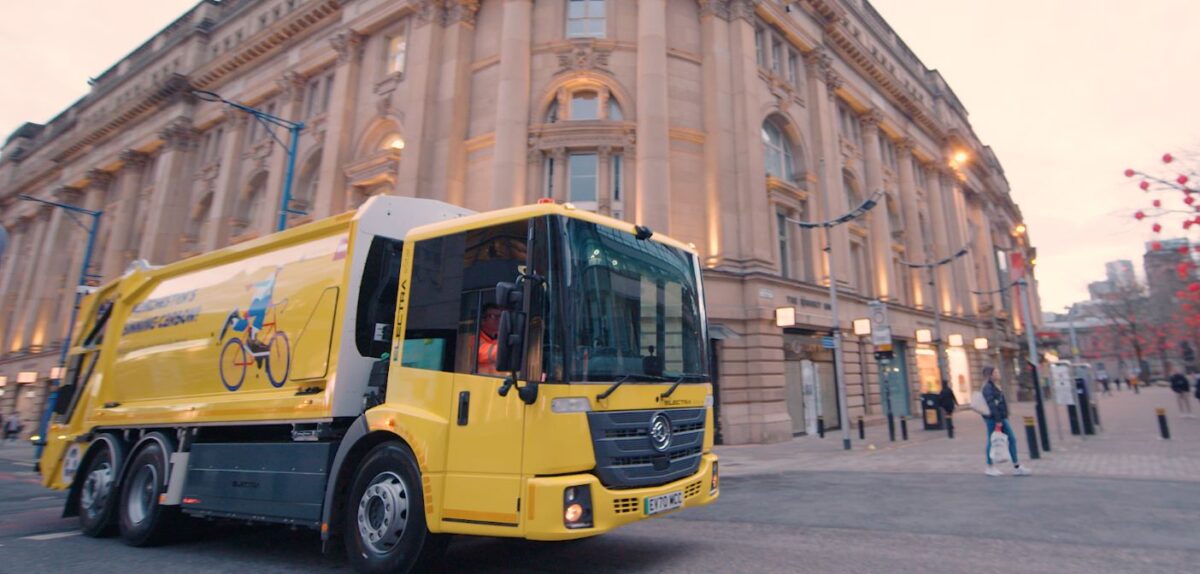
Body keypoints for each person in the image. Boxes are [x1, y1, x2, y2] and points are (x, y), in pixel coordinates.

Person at [980, 366, 1030, 477]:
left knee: (1011, 439)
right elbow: (991, 405)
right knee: (993, 441)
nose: (998, 374)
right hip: (994, 419)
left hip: (1000, 418)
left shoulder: (995, 386)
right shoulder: (988, 388)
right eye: (996, 372)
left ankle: (1016, 466)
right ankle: (990, 466)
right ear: (990, 375)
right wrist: (998, 420)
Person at [477, 303, 502, 375]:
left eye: (500, 316)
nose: (499, 320)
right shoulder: (473, 340)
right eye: (494, 316)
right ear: (482, 320)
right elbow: (494, 353)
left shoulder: (498, 337)